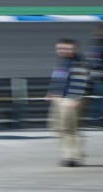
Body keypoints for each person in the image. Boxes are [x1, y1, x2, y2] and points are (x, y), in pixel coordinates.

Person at [47, 38, 89, 167]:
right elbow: (57, 79)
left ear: (74, 49)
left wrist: (74, 98)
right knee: (56, 127)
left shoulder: (79, 62)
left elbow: (81, 81)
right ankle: (69, 154)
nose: (63, 50)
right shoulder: (62, 61)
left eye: (67, 48)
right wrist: (51, 92)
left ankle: (72, 157)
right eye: (60, 48)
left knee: (69, 129)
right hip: (59, 98)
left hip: (70, 99)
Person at [87, 23, 103, 124]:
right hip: (98, 78)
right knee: (98, 98)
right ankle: (98, 118)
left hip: (98, 77)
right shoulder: (96, 44)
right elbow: (93, 62)